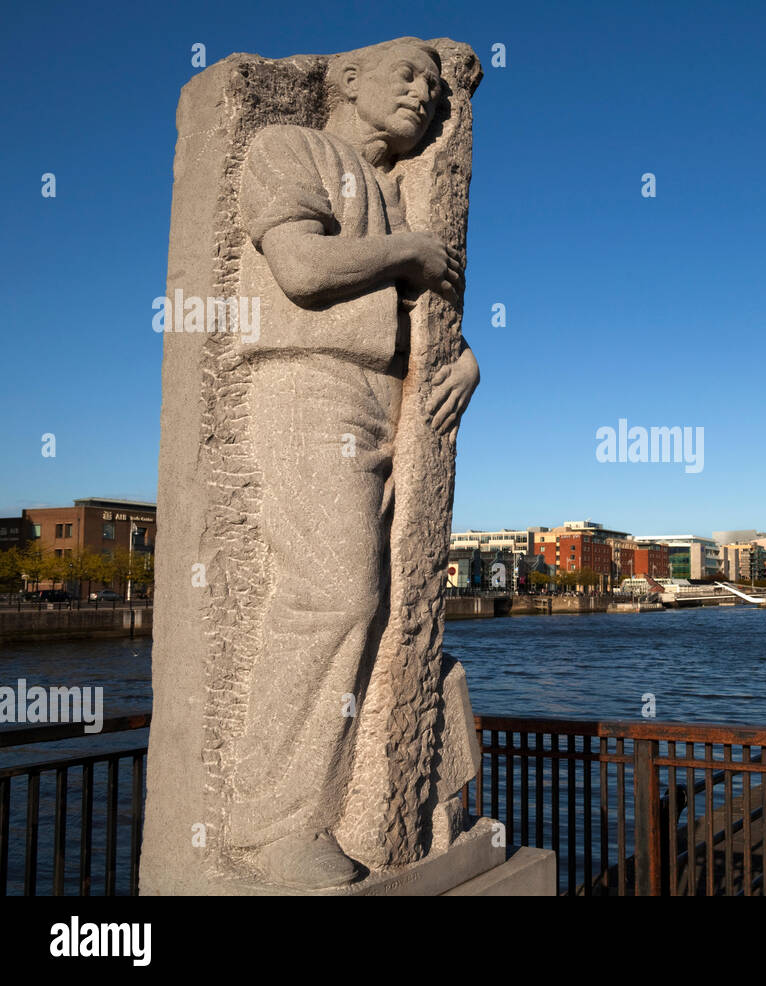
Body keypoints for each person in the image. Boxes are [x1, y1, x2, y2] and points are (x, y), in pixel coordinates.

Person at [229, 38, 478, 889]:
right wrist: (409, 251)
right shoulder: (289, 147)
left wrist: (467, 364)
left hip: (386, 401)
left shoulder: (400, 190)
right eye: (406, 76)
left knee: (389, 605)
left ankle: (376, 809)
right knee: (331, 596)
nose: (425, 97)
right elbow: (299, 267)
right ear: (346, 79)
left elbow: (428, 321)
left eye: (437, 90)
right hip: (310, 382)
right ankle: (272, 824)